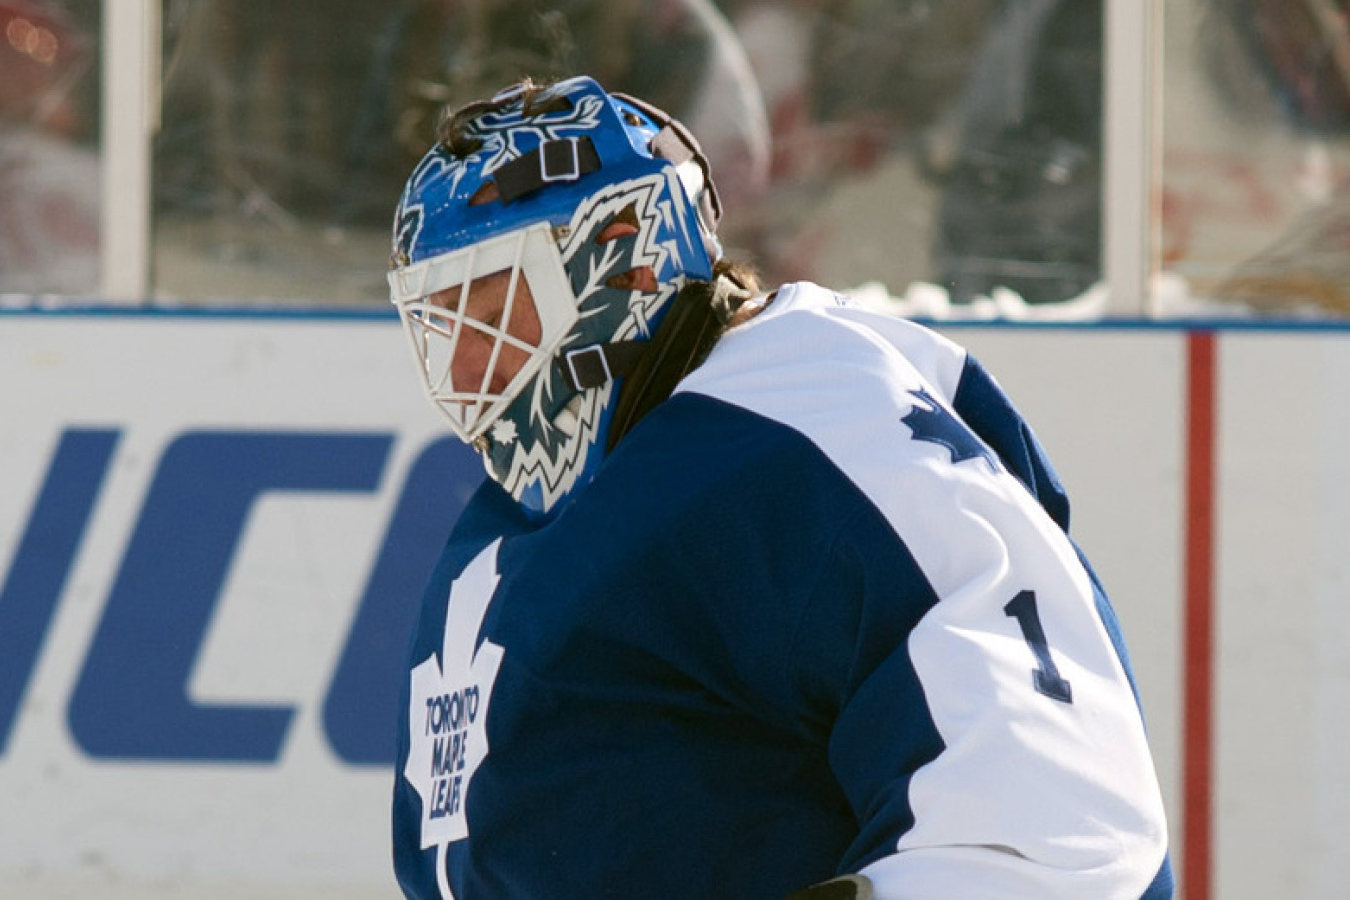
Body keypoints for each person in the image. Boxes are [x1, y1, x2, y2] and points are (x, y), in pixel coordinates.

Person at [385, 75, 1173, 900]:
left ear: (625, 262)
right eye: (440, 323)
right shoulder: (516, 519)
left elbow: (1056, 828)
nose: (467, 370)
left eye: (496, 308)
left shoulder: (810, 429)